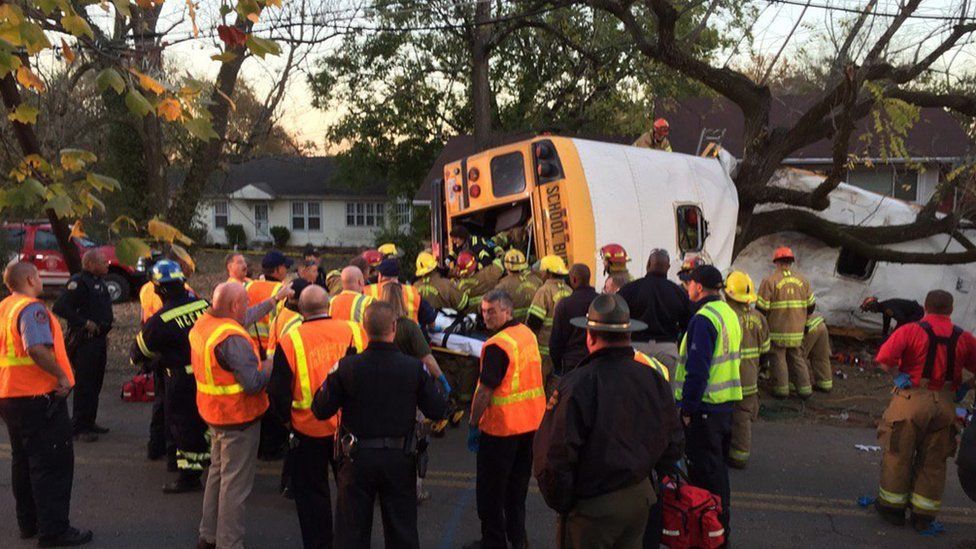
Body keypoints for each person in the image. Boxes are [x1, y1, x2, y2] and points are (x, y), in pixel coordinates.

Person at [534, 293, 683, 549]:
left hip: (593, 507)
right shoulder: (653, 378)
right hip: (639, 500)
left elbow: (553, 455)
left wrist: (565, 502)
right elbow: (674, 441)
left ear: (590, 337)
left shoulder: (577, 384)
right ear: (629, 335)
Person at [313, 301, 448, 548]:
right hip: (400, 458)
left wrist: (335, 374)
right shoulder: (413, 367)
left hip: (356, 458)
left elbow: (321, 409)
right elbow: (437, 409)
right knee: (402, 532)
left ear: (364, 328)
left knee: (351, 533)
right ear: (394, 327)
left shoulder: (348, 366)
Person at [0, 262, 93, 546]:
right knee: (51, 464)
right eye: (38, 276)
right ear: (30, 278)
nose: (40, 279)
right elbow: (36, 348)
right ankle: (53, 531)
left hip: (10, 396)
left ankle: (28, 523)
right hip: (37, 398)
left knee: (23, 460)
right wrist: (63, 376)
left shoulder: (5, 308)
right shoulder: (32, 309)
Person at [270, 284, 366, 549]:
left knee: (312, 497)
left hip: (307, 430)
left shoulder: (291, 340)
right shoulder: (355, 331)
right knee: (351, 495)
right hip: (350, 429)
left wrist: (288, 422)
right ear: (329, 306)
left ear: (300, 309)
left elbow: (278, 392)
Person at [872, 290, 976, 530]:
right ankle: (923, 516)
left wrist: (899, 376)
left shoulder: (910, 330)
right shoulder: (964, 337)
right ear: (950, 310)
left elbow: (885, 359)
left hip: (912, 399)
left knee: (898, 454)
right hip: (946, 405)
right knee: (934, 461)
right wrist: (965, 387)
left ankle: (892, 509)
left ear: (926, 308)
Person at [191, 282, 283, 549]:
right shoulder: (233, 340)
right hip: (238, 418)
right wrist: (269, 365)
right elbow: (253, 383)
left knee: (217, 475)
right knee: (235, 487)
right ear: (233, 306)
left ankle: (207, 535)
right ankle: (229, 543)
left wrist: (273, 300)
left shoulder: (206, 323)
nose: (246, 308)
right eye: (244, 303)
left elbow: (244, 317)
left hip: (214, 414)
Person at [466, 290, 546, 549]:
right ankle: (518, 539)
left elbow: (485, 390)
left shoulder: (496, 345)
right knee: (517, 489)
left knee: (490, 492)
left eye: (492, 311)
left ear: (508, 311)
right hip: (530, 426)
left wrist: (473, 423)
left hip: (501, 430)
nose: (486, 316)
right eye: (484, 311)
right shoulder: (527, 335)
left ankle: (493, 542)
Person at [130, 260, 212, 493]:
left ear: (158, 289)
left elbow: (137, 354)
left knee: (183, 428)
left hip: (180, 381)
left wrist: (157, 358)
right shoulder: (205, 306)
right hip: (207, 377)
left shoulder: (159, 322)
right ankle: (208, 460)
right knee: (205, 421)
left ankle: (189, 477)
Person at [674, 265, 743, 538]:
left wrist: (688, 409)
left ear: (698, 287)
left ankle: (710, 534)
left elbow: (697, 370)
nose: (687, 287)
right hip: (725, 407)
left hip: (704, 409)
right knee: (718, 474)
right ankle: (720, 527)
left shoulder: (703, 319)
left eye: (689, 283)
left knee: (703, 477)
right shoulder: (728, 314)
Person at [140, 250, 198, 464]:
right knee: (182, 416)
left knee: (161, 403)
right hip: (181, 361)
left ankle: (156, 446)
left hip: (156, 350)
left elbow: (144, 318)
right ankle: (176, 457)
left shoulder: (146, 289)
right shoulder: (188, 293)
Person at [52, 249, 113, 442]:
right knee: (85, 383)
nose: (107, 264)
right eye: (103, 261)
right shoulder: (78, 282)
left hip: (99, 340)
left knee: (96, 382)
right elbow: (60, 307)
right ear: (91, 264)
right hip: (84, 340)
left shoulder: (99, 282)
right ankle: (78, 427)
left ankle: (89, 421)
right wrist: (83, 322)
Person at [723, 271, 770, 470]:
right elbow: (766, 351)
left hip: (727, 379)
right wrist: (761, 370)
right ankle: (738, 453)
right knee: (743, 416)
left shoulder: (727, 318)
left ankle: (737, 456)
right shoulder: (759, 318)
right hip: (750, 378)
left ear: (729, 294)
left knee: (732, 416)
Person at [618, 248, 691, 374]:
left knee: (637, 390)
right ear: (668, 267)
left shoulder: (629, 290)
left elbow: (616, 316)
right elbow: (688, 325)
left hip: (637, 349)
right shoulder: (678, 293)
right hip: (667, 350)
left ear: (648, 264)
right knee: (666, 391)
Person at [757, 246, 816, 399]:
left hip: (778, 330)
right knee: (797, 358)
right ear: (791, 262)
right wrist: (801, 319)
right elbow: (811, 306)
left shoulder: (770, 281)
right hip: (797, 330)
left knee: (778, 358)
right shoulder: (803, 280)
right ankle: (805, 390)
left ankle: (781, 391)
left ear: (776, 262)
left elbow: (761, 309)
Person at [527, 255, 572, 393]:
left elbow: (534, 321)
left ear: (547, 272)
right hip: (563, 348)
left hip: (544, 349)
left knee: (539, 385)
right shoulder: (569, 290)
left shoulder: (544, 291)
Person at [548, 264, 598, 375]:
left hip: (572, 364)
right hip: (597, 361)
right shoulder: (601, 301)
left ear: (574, 279)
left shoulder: (564, 304)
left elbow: (556, 341)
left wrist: (558, 366)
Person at [364, 258, 436, 327]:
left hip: (378, 337)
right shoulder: (411, 291)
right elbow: (431, 320)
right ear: (397, 276)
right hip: (409, 337)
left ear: (380, 276)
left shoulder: (367, 291)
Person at [494, 249, 541, 320]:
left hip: (515, 327)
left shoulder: (502, 285)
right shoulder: (537, 280)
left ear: (506, 266)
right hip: (535, 326)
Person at [861, 296, 925, 340]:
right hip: (911, 314)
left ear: (873, 306)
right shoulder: (884, 308)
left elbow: (902, 320)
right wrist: (884, 335)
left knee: (903, 330)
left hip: (916, 313)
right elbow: (886, 322)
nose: (871, 311)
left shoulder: (887, 308)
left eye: (870, 309)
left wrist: (893, 334)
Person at [803, 313, 833, 393]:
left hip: (807, 327)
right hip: (819, 323)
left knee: (797, 358)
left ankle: (798, 386)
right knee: (821, 357)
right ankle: (824, 384)